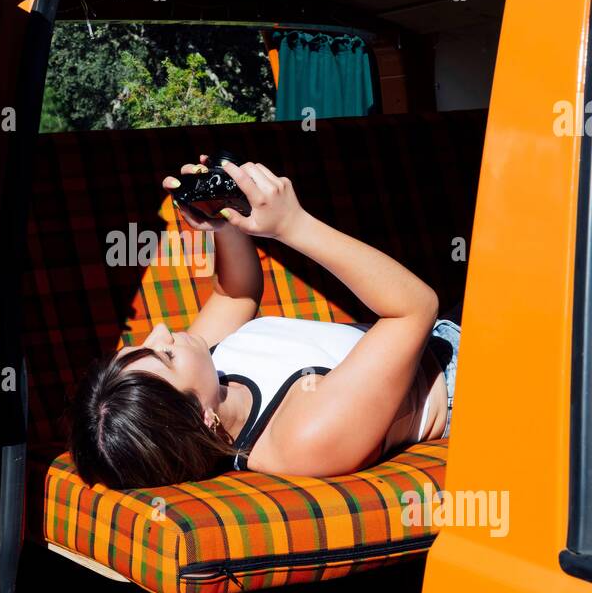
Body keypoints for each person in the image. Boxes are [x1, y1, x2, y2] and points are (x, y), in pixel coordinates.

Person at [69, 155, 462, 490]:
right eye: (166, 355)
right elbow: (413, 308)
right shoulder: (303, 438)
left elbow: (236, 293)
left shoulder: (210, 371)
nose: (161, 331)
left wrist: (222, 217)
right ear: (203, 419)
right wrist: (294, 225)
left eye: (145, 344)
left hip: (451, 335)